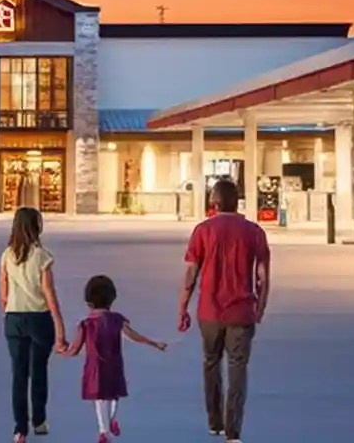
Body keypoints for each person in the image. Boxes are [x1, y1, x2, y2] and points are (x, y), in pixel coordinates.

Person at [177, 178, 271, 443]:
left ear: (214, 203)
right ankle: (233, 431)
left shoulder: (202, 231)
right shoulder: (254, 232)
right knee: (238, 368)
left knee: (211, 362)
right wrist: (261, 306)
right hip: (241, 312)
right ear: (237, 202)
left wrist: (182, 307)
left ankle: (214, 421)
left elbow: (191, 273)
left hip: (209, 312)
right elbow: (262, 275)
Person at [62, 275, 168, 442]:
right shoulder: (117, 319)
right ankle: (111, 421)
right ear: (112, 299)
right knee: (113, 395)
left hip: (95, 368)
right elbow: (133, 335)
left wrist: (62, 352)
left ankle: (103, 431)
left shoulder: (86, 324)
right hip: (114, 365)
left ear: (89, 302)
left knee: (99, 399)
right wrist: (154, 343)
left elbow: (74, 349)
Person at [0, 207, 68, 442]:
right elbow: (49, 293)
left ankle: (20, 429)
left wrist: (10, 313)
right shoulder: (42, 256)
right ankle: (39, 421)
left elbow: (3, 294)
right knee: (38, 370)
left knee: (19, 374)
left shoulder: (7, 255)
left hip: (14, 319)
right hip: (39, 318)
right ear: (36, 227)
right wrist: (59, 327)